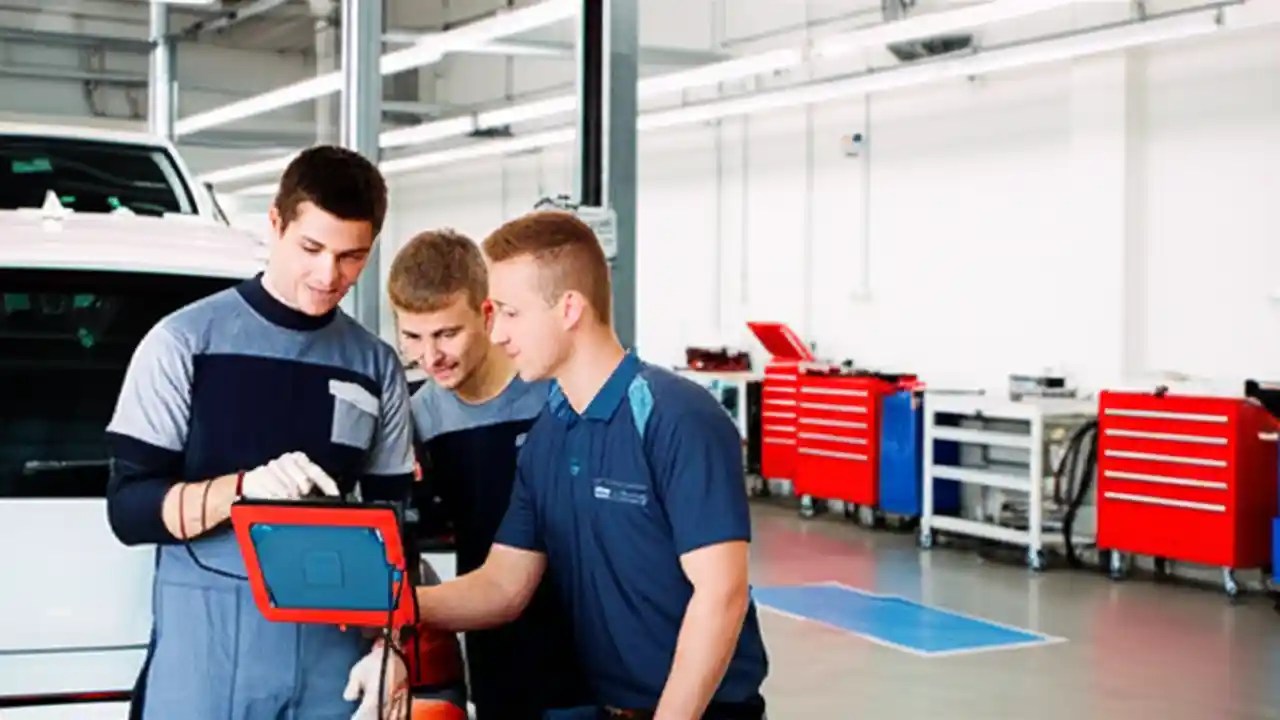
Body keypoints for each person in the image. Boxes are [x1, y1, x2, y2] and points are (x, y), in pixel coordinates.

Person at [413, 210, 770, 719]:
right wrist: (393, 604)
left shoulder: (677, 416)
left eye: (511, 313)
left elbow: (722, 592)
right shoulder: (549, 436)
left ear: (569, 309)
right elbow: (504, 586)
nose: (497, 335)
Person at [104, 145, 417, 720]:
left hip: (332, 658)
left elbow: (393, 525)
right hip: (206, 649)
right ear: (275, 224)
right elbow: (128, 508)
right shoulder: (184, 344)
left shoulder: (374, 366)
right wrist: (242, 490)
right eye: (312, 248)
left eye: (352, 257)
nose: (329, 275)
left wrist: (391, 647)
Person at [384, 228, 595, 719]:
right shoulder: (419, 422)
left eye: (446, 334)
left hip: (587, 658)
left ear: (488, 313)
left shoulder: (558, 397)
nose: (429, 356)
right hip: (495, 656)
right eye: (412, 337)